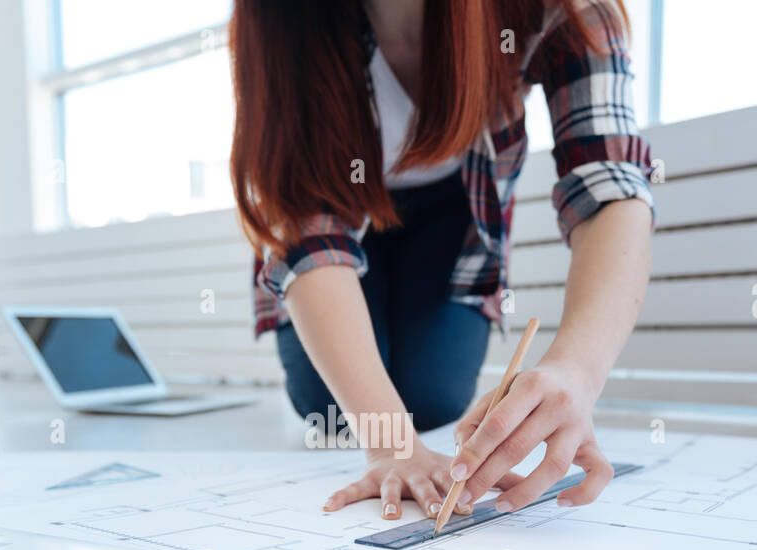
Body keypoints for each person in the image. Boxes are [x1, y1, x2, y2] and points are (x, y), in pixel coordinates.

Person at [230, 0, 653, 520]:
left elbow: (609, 186)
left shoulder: (554, 10)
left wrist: (578, 370)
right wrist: (391, 445)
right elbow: (309, 235)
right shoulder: (284, 21)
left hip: (454, 216)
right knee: (331, 411)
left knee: (432, 399)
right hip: (341, 209)